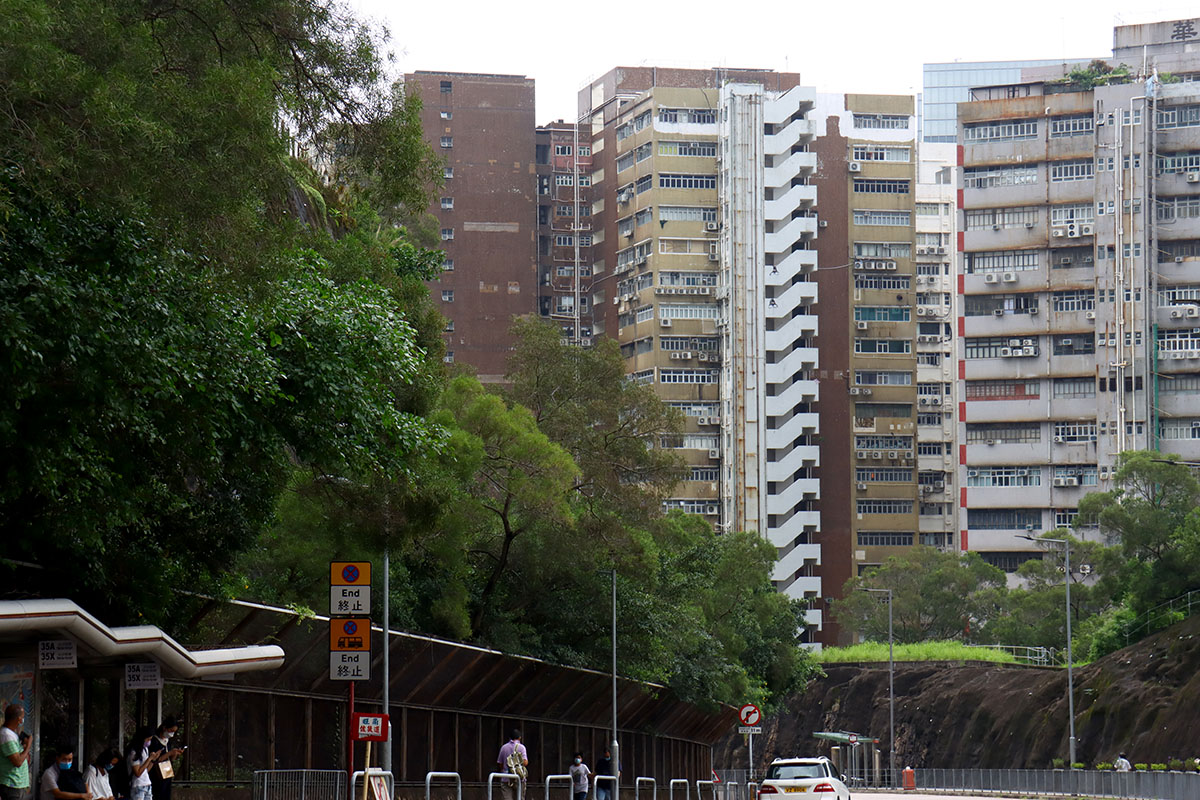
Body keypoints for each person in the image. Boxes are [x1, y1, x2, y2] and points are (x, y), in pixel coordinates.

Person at [0, 705, 32, 800]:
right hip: (11, 784)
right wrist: (29, 746)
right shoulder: (6, 735)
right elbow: (17, 762)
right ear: (19, 719)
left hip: (16, 784)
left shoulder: (12, 734)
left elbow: (19, 755)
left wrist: (24, 747)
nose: (23, 720)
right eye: (23, 717)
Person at [146, 720, 183, 800]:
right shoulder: (154, 741)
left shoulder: (167, 742)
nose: (172, 733)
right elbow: (155, 759)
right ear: (164, 728)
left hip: (166, 774)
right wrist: (169, 753)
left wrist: (174, 754)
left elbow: (170, 760)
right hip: (156, 775)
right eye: (171, 730)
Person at [125, 731, 161, 800]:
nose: (149, 742)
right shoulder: (134, 752)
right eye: (148, 739)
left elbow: (146, 770)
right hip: (138, 785)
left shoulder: (145, 749)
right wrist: (149, 759)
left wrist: (153, 760)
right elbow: (138, 773)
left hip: (147, 784)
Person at [496, 729, 527, 800]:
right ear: (519, 737)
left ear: (510, 737)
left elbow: (500, 763)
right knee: (520, 798)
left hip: (506, 777)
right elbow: (525, 762)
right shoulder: (522, 747)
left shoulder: (504, 747)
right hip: (519, 778)